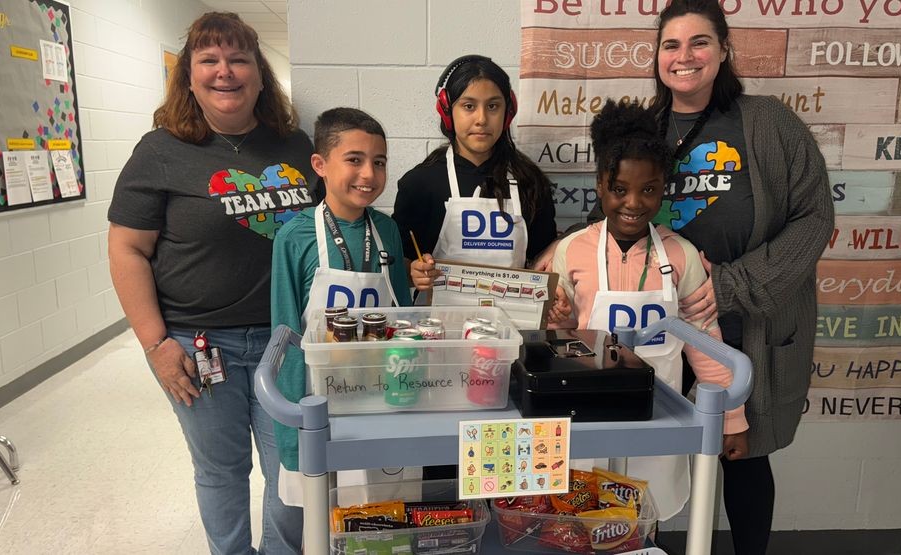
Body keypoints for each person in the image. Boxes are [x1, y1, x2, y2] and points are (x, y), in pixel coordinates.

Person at [575, 1, 830, 551]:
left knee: (742, 454)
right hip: (657, 330)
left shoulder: (769, 123)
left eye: (699, 43)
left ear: (723, 51)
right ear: (657, 56)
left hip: (743, 328)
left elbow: (815, 219)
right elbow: (612, 212)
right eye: (671, 44)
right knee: (643, 459)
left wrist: (731, 287)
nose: (684, 56)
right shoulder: (646, 129)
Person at [107, 12, 316, 554]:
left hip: (286, 341)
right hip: (199, 346)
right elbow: (127, 249)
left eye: (239, 59)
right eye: (209, 60)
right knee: (221, 471)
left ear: (260, 74)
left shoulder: (295, 147)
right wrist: (156, 345)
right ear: (189, 76)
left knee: (292, 470)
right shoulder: (160, 152)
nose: (225, 72)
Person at [552, 99, 748, 521]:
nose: (634, 203)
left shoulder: (681, 255)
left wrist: (732, 418)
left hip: (659, 416)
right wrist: (559, 317)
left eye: (649, 190)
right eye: (619, 189)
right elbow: (561, 332)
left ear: (664, 188)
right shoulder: (572, 251)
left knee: (644, 517)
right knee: (584, 519)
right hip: (587, 415)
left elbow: (704, 338)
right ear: (600, 185)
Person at [270, 107, 411, 512]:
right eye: (354, 160)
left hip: (377, 393)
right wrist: (294, 427)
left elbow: (402, 319)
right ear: (320, 165)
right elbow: (285, 334)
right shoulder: (294, 237)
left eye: (379, 162)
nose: (369, 174)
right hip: (315, 397)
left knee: (375, 508)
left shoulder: (386, 231)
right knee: (320, 511)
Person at [393, 54, 558, 292]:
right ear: (447, 111)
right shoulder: (419, 184)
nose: (481, 119)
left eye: (493, 106)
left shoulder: (529, 181)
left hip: (513, 320)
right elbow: (401, 261)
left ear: (508, 112)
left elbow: (543, 257)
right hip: (440, 324)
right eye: (468, 106)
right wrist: (413, 272)